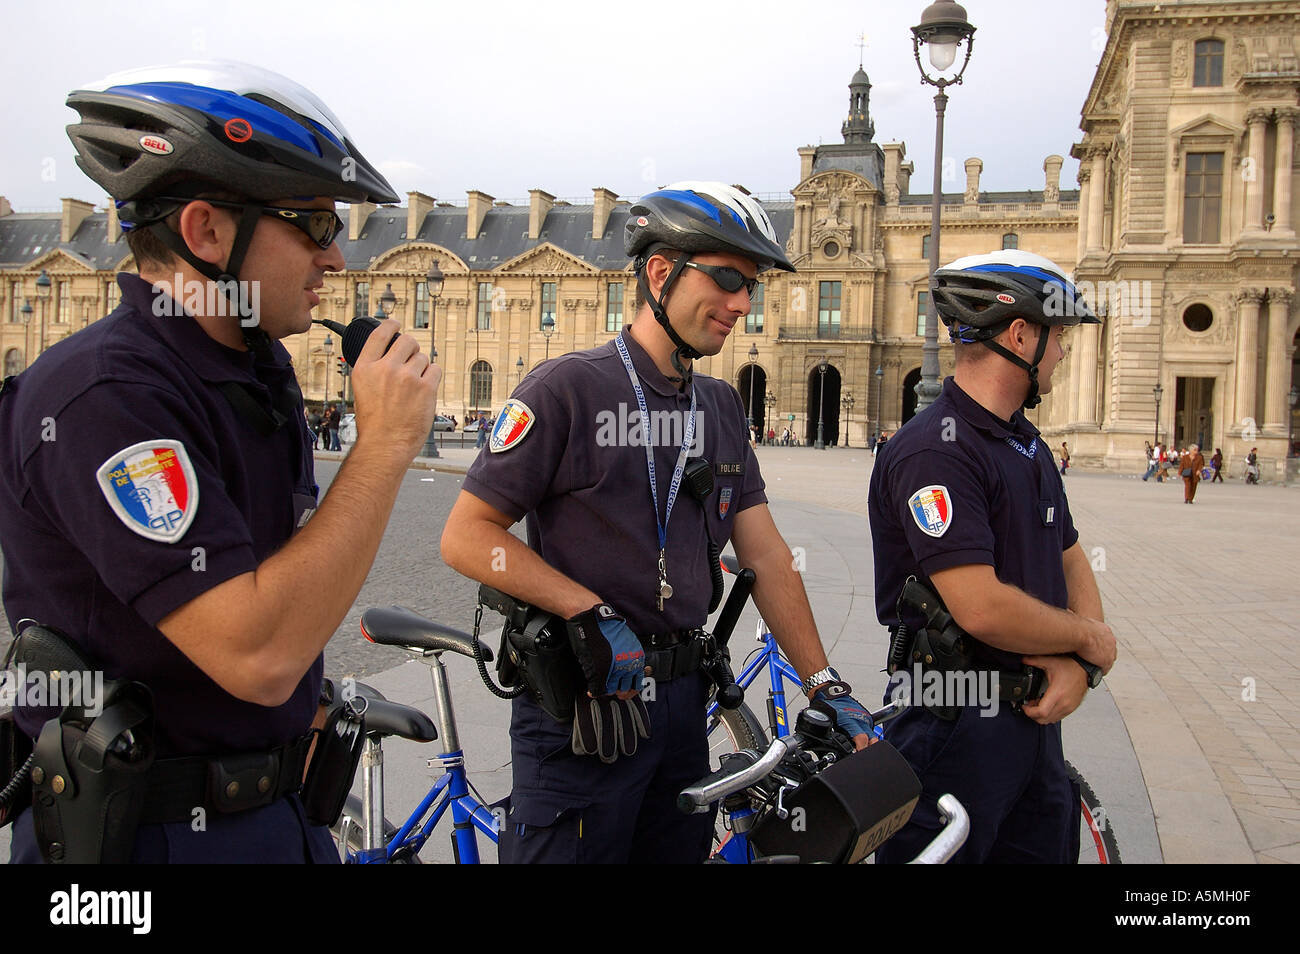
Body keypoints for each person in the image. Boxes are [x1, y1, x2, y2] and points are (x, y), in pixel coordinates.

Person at [0, 62, 439, 864]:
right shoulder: (104, 397)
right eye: (314, 224)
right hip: (146, 840)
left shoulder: (252, 373)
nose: (336, 259)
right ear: (205, 231)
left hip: (273, 819)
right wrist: (382, 447)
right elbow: (257, 654)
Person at [440, 181, 875, 864]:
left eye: (751, 287)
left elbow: (766, 553)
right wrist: (586, 608)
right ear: (660, 273)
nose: (741, 303)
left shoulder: (722, 407)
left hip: (679, 704)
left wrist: (824, 682)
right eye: (728, 279)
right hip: (588, 704)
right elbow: (466, 537)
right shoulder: (567, 391)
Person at [868, 250, 1117, 864]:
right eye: (1057, 335)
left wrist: (1081, 662)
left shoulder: (1025, 443)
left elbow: (1070, 555)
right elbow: (979, 607)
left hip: (1031, 728)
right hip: (953, 728)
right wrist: (1087, 638)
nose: (1062, 351)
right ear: (1021, 334)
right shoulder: (936, 451)